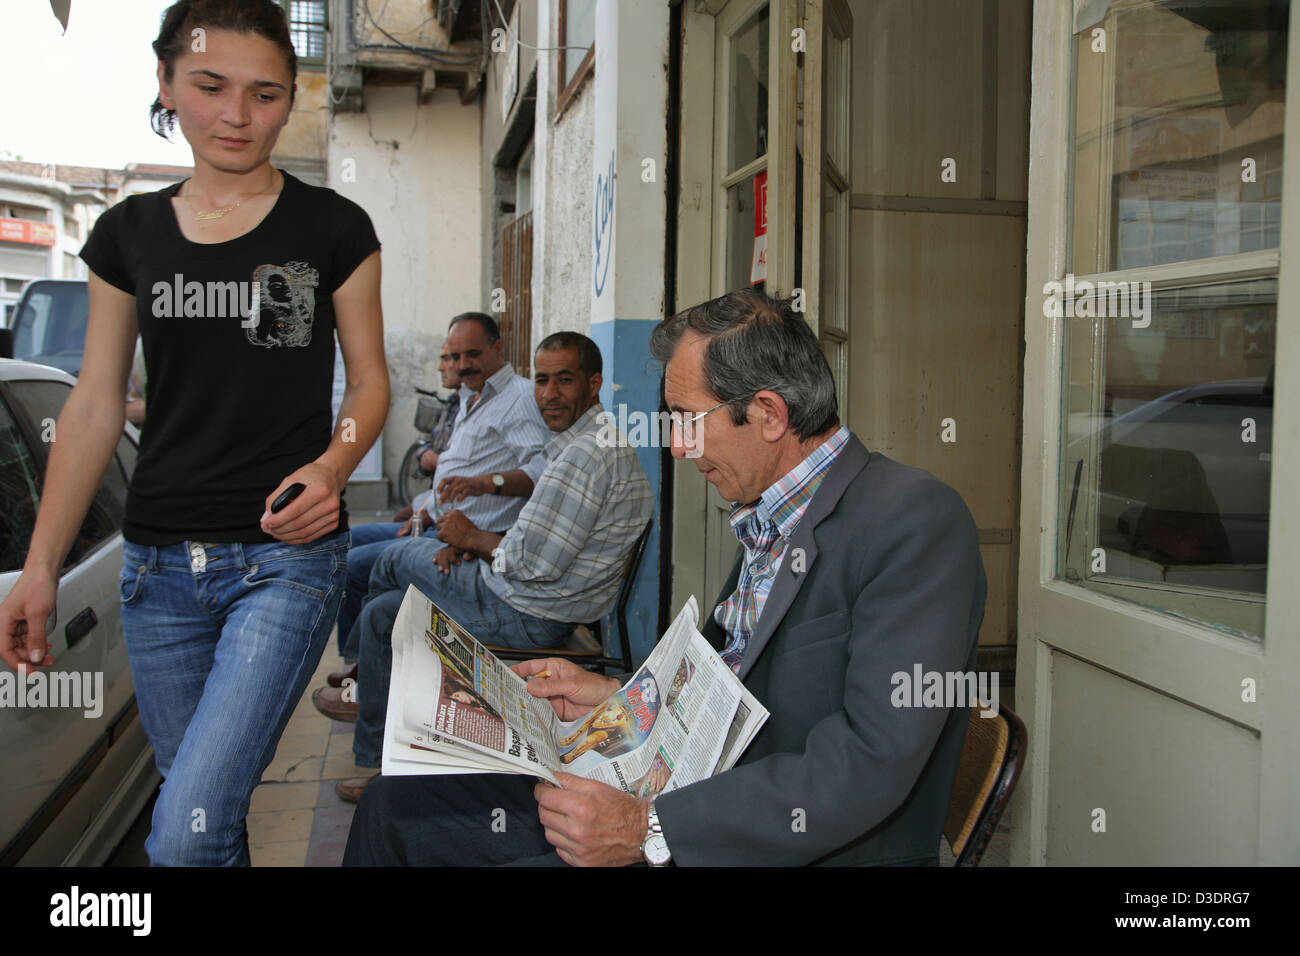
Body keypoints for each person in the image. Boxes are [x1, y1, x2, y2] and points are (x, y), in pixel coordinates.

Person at [343, 289, 985, 866]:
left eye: (685, 418)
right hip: (682, 791)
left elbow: (872, 762)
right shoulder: (771, 511)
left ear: (766, 413)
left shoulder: (913, 520)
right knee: (395, 807)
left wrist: (650, 828)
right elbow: (723, 688)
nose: (676, 446)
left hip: (763, 840)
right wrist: (612, 699)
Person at [0, 0, 389, 866]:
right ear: (168, 85)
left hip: (282, 560)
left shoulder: (333, 229)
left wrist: (332, 466)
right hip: (155, 574)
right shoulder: (124, 235)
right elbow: (95, 404)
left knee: (180, 838)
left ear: (291, 100)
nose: (236, 116)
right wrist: (38, 568)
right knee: (210, 819)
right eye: (211, 86)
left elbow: (369, 382)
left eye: (265, 93)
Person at [332, 332, 653, 801]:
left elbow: (533, 565)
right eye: (542, 380)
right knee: (386, 607)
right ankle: (378, 734)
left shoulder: (584, 457)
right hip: (527, 593)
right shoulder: (580, 438)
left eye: (564, 380)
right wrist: (474, 545)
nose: (549, 394)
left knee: (391, 562)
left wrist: (471, 539)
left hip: (528, 613)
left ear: (594, 383)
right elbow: (534, 542)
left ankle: (366, 697)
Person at [316, 311, 549, 694]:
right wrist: (423, 509)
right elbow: (457, 467)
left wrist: (486, 483)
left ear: (497, 348)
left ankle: (363, 674)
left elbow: (540, 471)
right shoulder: (471, 397)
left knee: (353, 568)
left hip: (462, 541)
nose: (461, 365)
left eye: (471, 354)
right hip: (431, 521)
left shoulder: (518, 398)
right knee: (347, 544)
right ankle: (363, 667)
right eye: (455, 357)